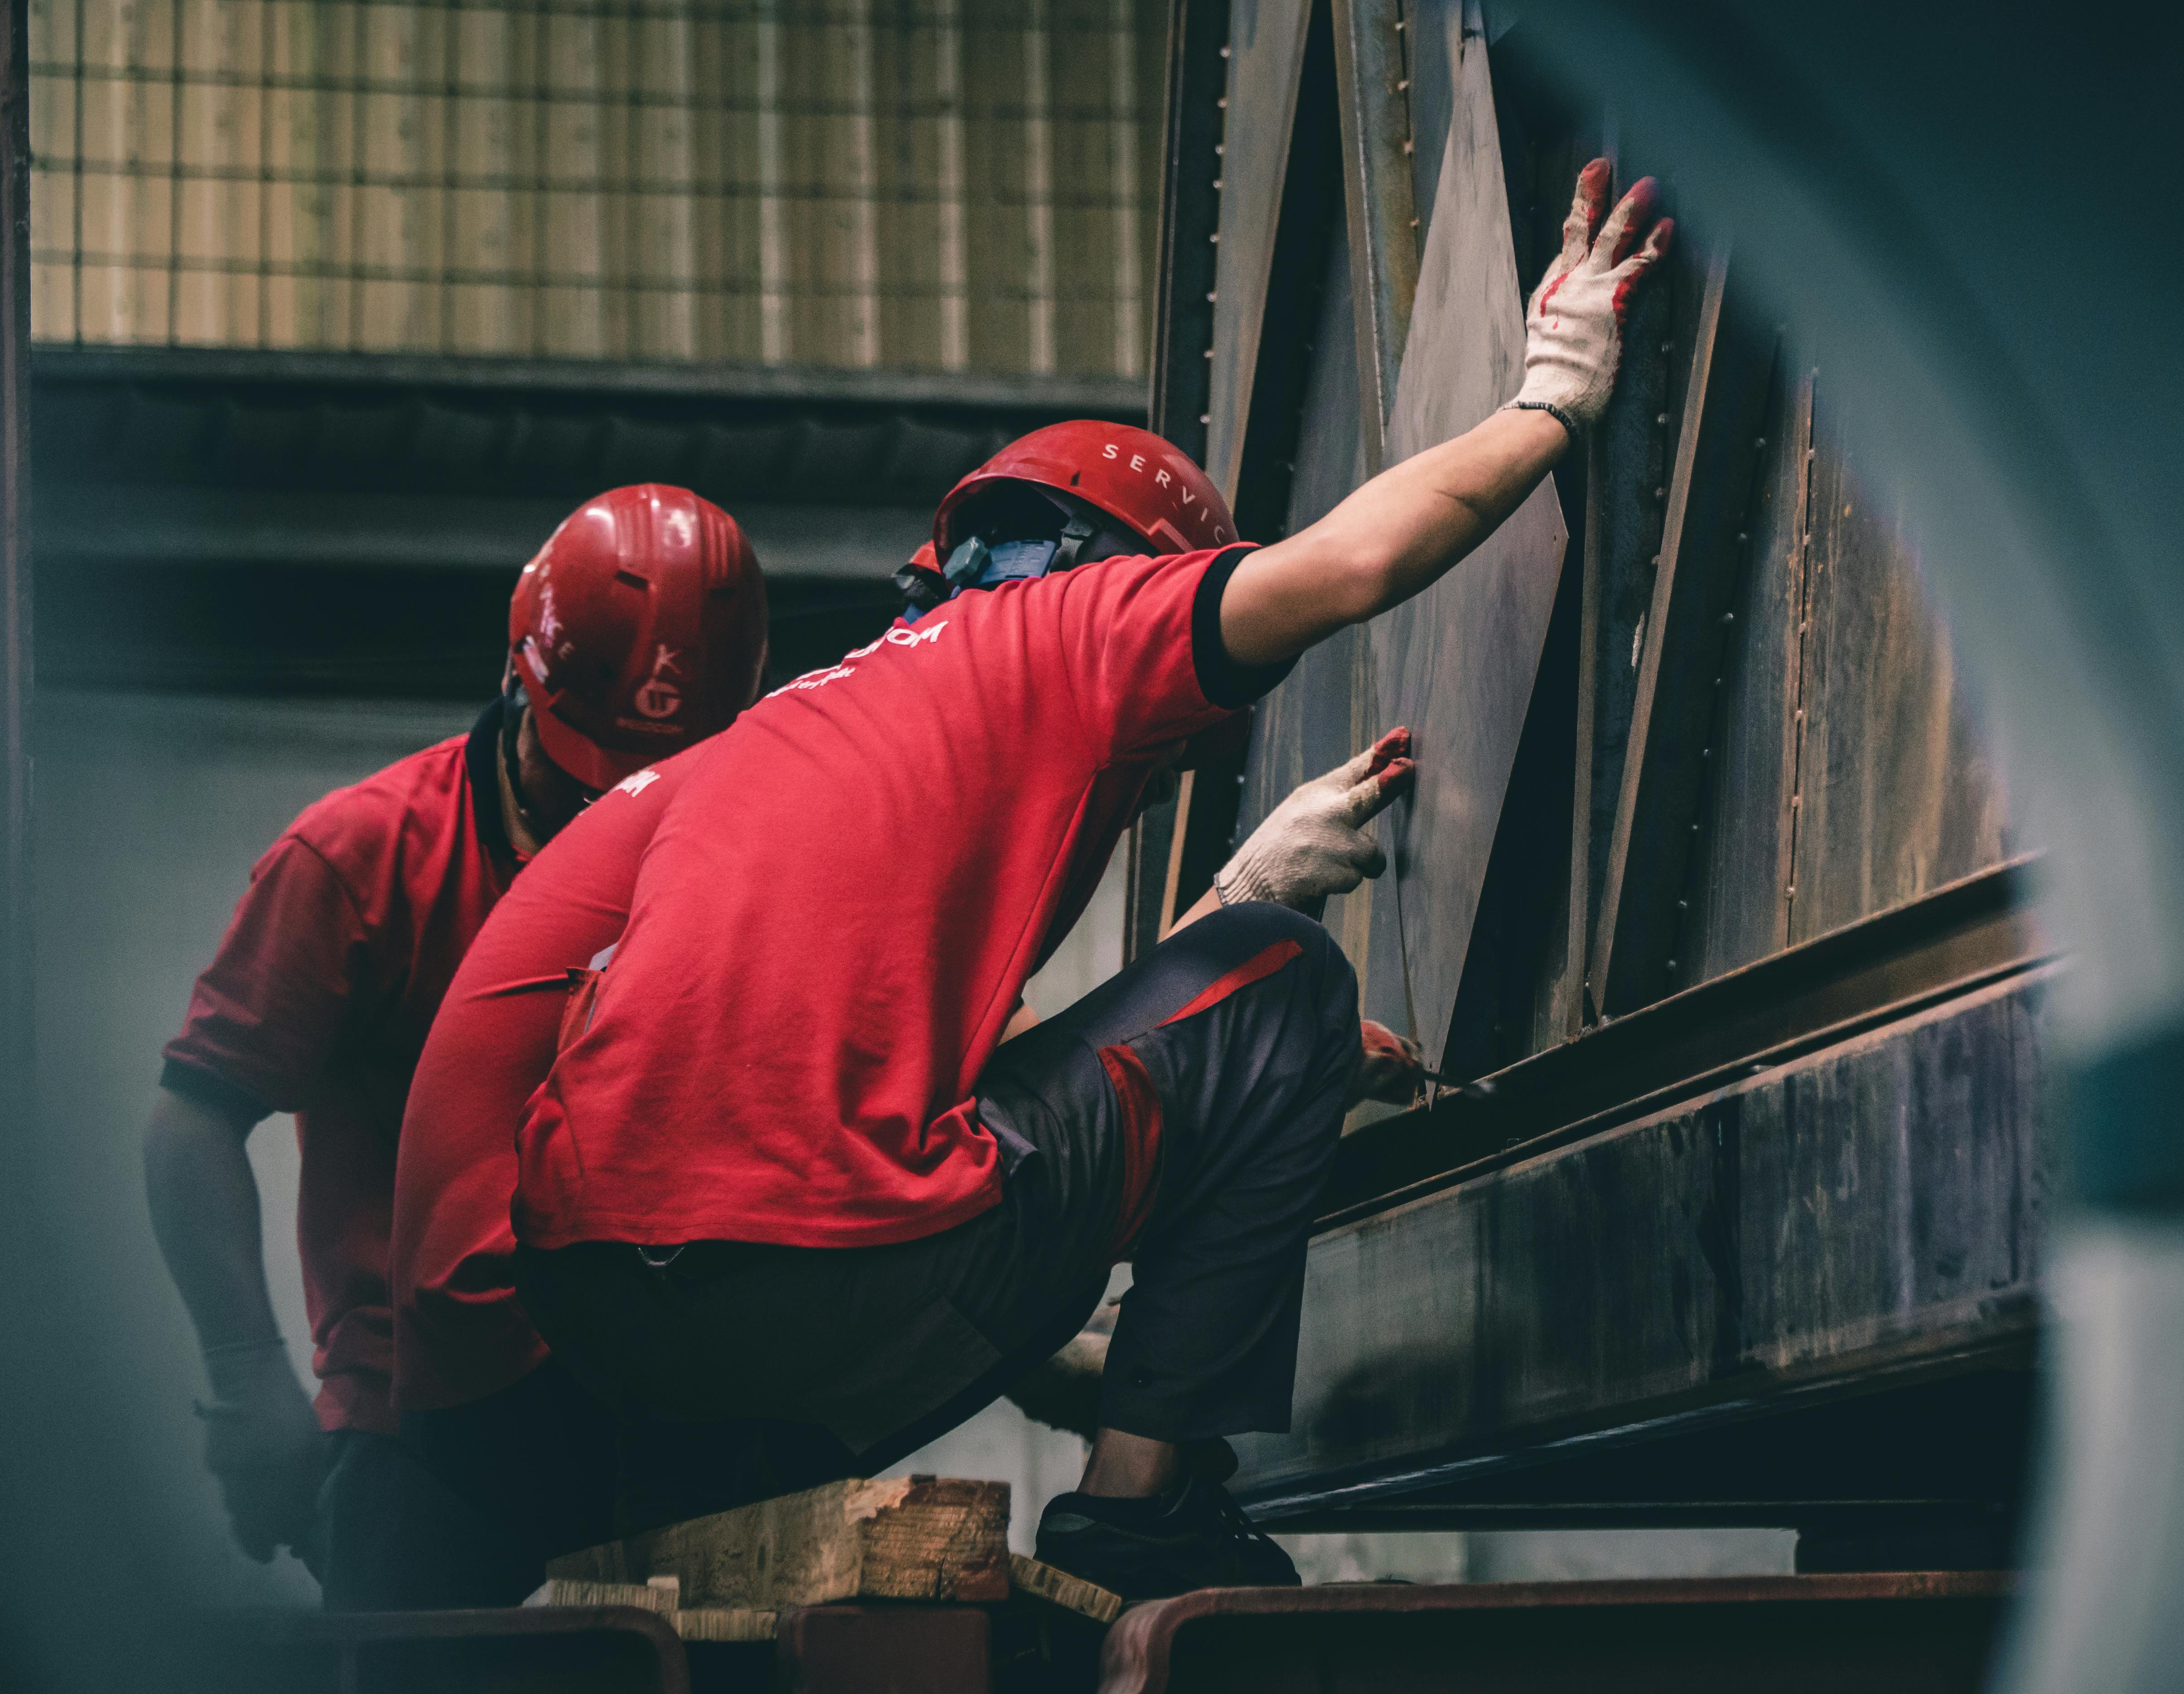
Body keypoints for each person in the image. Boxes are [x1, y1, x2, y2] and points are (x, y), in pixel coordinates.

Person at [423, 159, 1666, 1599]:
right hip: (825, 1289)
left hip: (604, 1323)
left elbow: (859, 1079)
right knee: (1289, 983)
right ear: (1137, 570)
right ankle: (1140, 1509)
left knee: (1180, 1034)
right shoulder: (1083, 626)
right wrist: (1552, 400)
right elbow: (1353, 564)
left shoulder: (794, 724)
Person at [141, 485, 768, 1609]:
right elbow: (192, 1118)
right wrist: (247, 1376)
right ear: (520, 677)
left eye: (655, 786)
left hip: (656, 1406)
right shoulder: (361, 862)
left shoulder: (727, 871)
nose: (613, 821)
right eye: (591, 780)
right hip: (415, 1424)